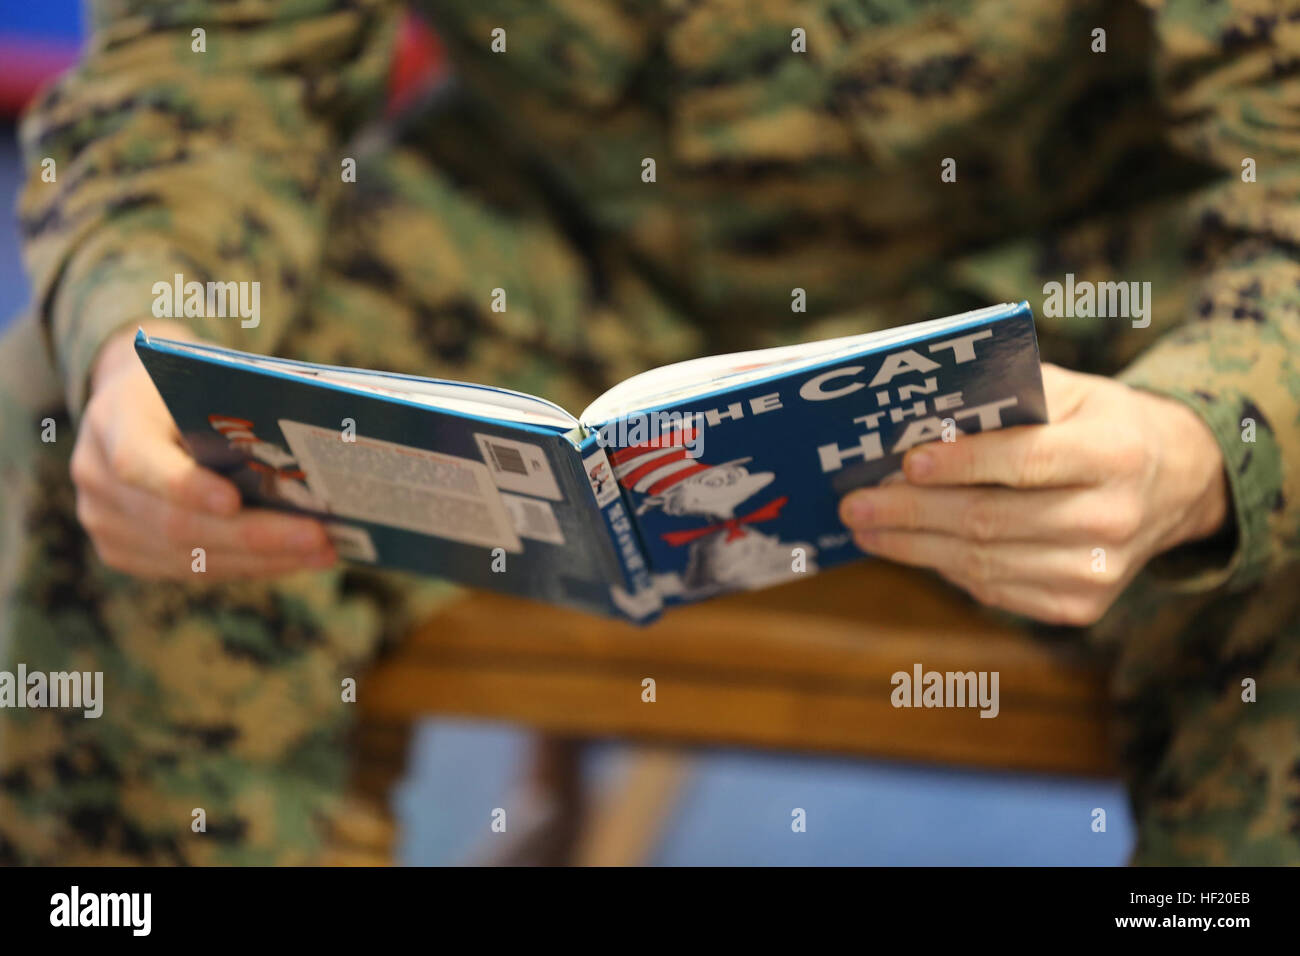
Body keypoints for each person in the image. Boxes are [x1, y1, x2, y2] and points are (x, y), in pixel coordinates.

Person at [1, 0, 1296, 865]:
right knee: (105, 427)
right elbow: (205, 62)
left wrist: (1201, 448)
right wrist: (141, 336)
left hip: (1075, 290)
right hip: (553, 239)